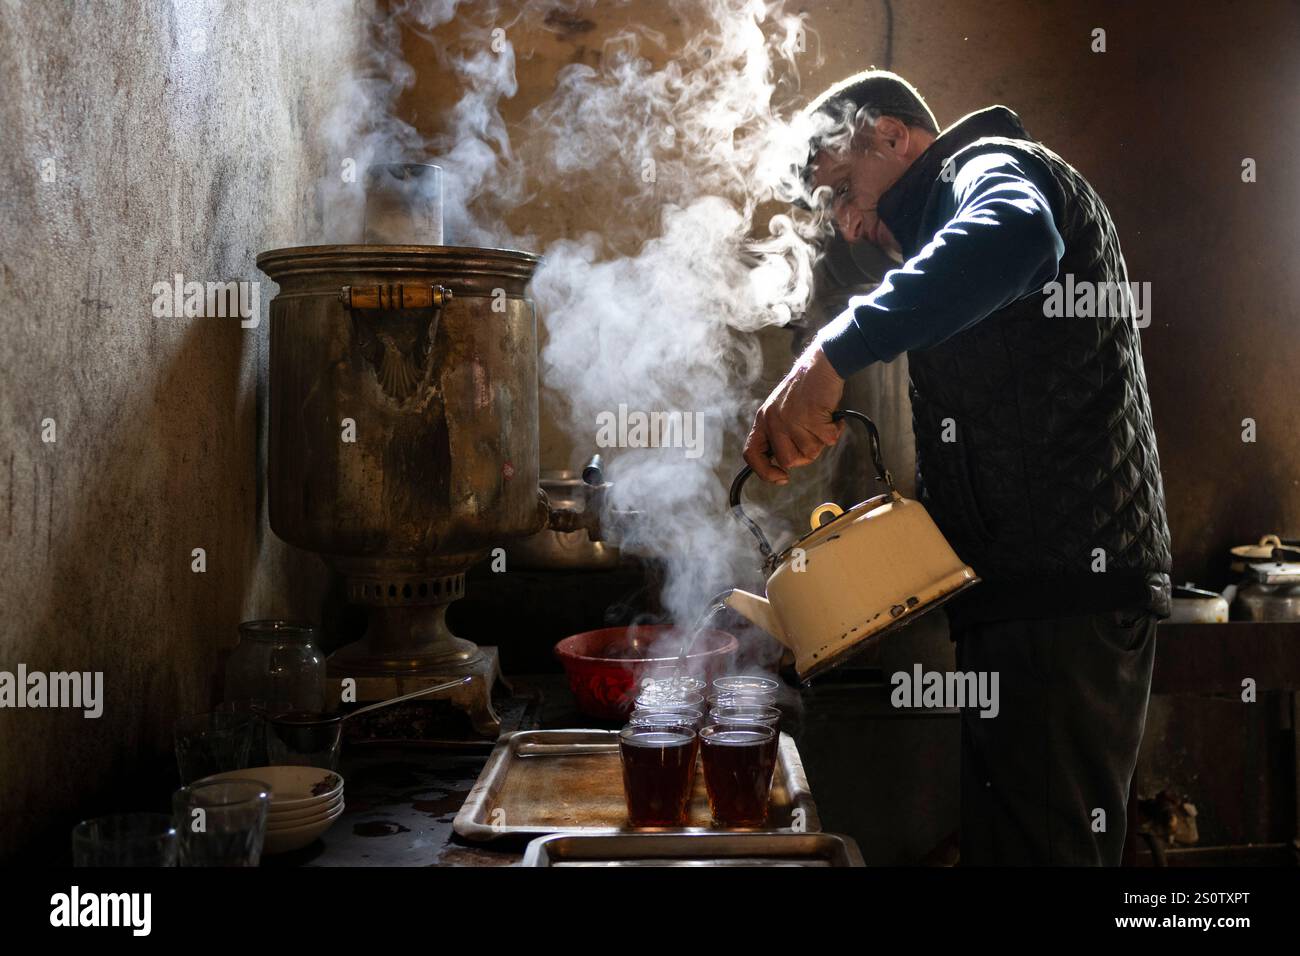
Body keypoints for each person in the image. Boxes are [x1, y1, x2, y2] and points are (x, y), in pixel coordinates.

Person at [744, 70, 1172, 865]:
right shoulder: (940, 227)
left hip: (1064, 602)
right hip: (1025, 602)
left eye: (842, 188)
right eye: (829, 209)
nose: (846, 224)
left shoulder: (990, 167)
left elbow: (1017, 233)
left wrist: (831, 355)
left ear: (891, 135)